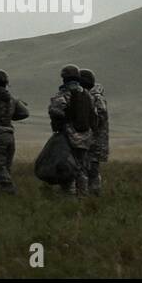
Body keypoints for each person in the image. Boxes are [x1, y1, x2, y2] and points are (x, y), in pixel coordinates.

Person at [48, 65, 97, 196]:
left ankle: (70, 198)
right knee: (82, 169)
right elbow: (94, 116)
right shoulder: (87, 95)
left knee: (68, 169)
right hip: (86, 138)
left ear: (64, 78)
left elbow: (55, 111)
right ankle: (83, 196)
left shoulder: (63, 94)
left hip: (69, 137)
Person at [79, 69, 109, 196]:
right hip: (93, 141)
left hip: (94, 142)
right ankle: (91, 194)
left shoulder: (95, 98)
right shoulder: (93, 97)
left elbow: (99, 118)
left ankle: (92, 194)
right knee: (89, 169)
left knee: (91, 170)